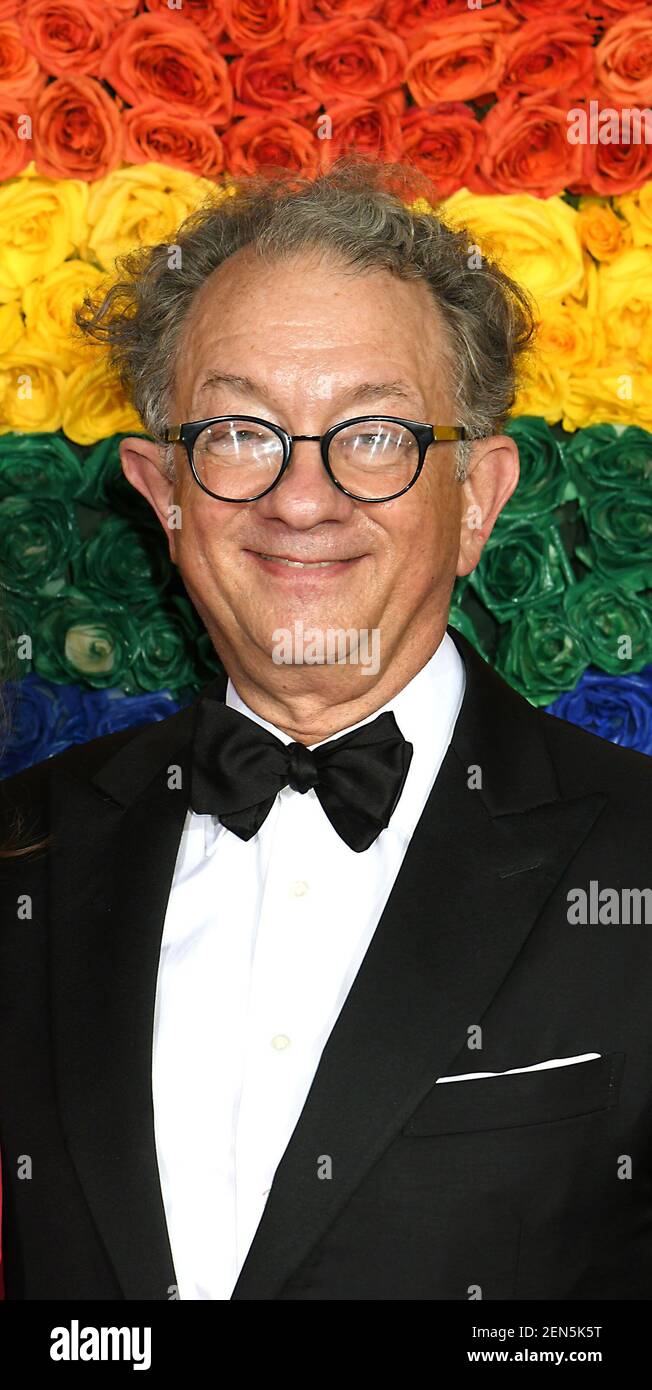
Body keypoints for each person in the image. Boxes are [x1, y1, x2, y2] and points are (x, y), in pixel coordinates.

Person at [0, 157, 650, 1301]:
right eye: (240, 431)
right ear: (164, 493)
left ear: (477, 497)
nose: (302, 498)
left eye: (375, 433)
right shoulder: (23, 848)